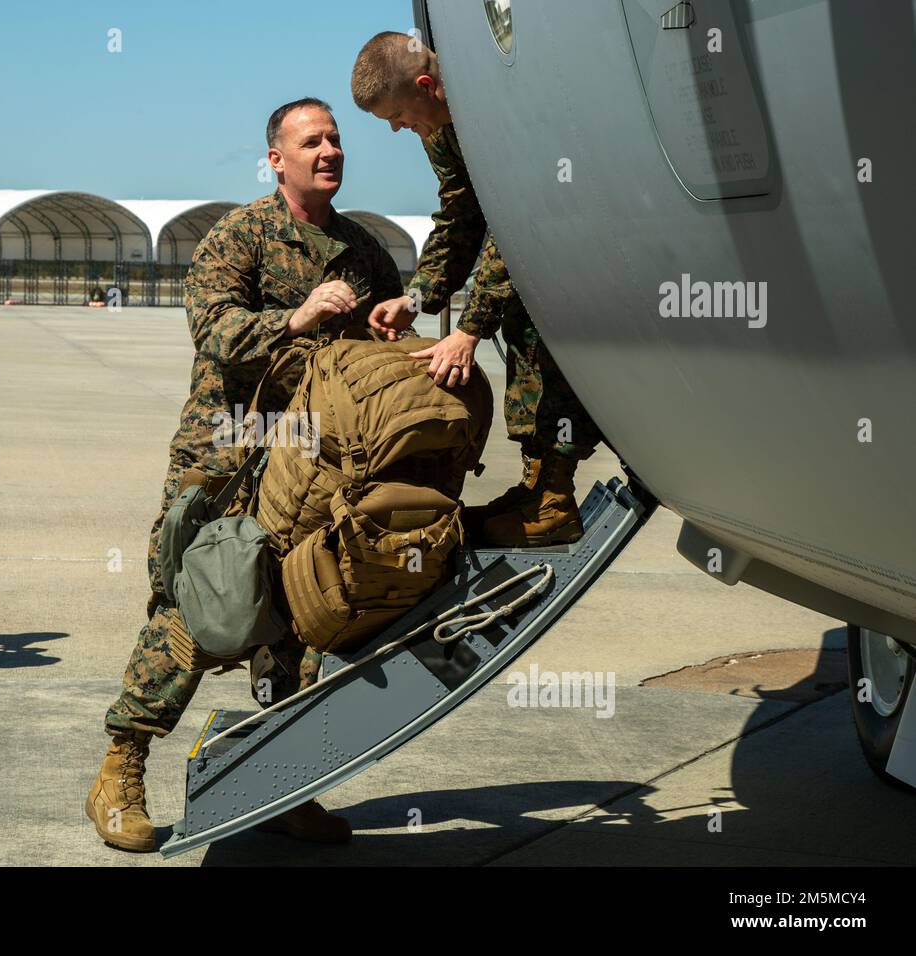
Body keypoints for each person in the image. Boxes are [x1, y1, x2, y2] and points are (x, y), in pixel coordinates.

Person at [86, 97, 405, 852]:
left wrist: (393, 322)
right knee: (196, 608)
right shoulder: (241, 235)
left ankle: (278, 781)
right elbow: (214, 330)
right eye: (311, 141)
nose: (329, 150)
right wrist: (297, 316)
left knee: (300, 616)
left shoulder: (362, 249)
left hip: (313, 463)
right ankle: (120, 769)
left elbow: (384, 338)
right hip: (226, 454)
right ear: (276, 160)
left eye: (335, 139)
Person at [351, 32, 604, 546]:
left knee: (535, 329)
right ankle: (537, 484)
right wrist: (417, 298)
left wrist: (469, 330)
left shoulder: (496, 111)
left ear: (427, 86)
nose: (397, 128)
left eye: (396, 116)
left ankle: (554, 497)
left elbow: (521, 219)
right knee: (520, 325)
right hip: (537, 238)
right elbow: (461, 214)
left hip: (584, 230)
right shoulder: (438, 128)